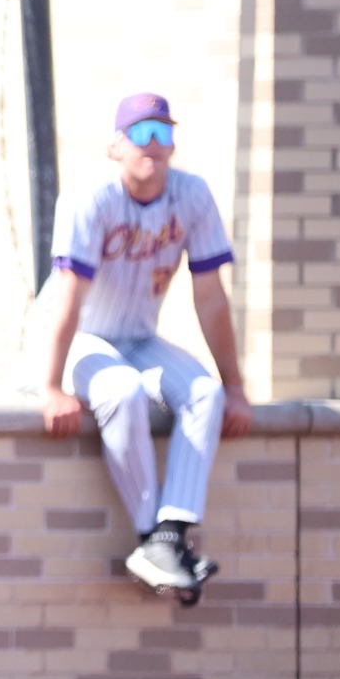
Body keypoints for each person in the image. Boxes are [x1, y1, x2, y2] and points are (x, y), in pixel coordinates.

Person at [39, 93, 255, 600]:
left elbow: (211, 299)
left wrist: (237, 385)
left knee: (205, 392)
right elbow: (68, 301)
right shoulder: (91, 197)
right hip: (79, 339)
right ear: (116, 146)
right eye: (141, 133)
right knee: (122, 389)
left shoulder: (192, 196)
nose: (154, 145)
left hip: (137, 338)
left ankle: (170, 535)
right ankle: (146, 537)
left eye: (164, 132)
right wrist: (50, 386)